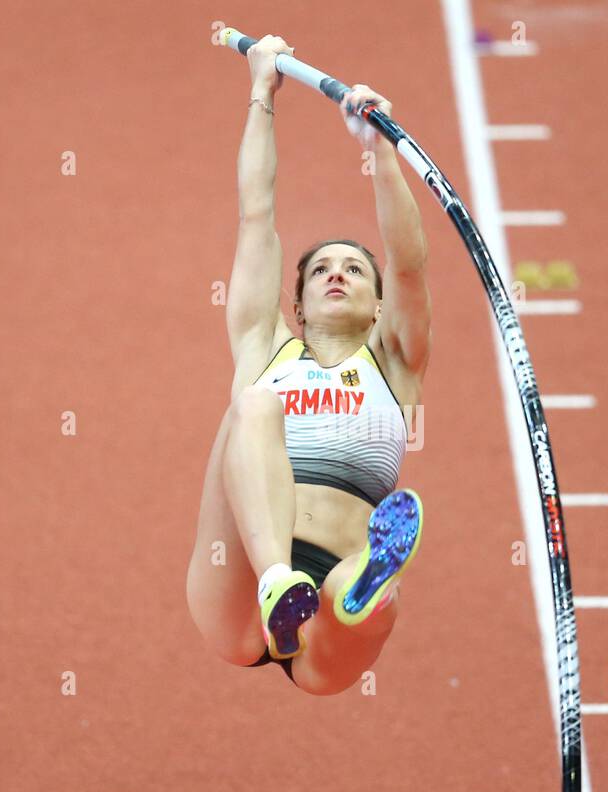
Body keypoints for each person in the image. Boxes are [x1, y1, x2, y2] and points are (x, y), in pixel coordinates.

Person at [185, 35, 433, 695]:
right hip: (241, 580)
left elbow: (408, 263)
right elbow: (256, 215)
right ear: (292, 303)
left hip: (328, 604)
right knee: (257, 402)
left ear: (378, 307)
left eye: (354, 269)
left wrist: (379, 149)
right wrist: (261, 93)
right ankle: (277, 582)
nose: (336, 274)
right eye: (321, 267)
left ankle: (358, 587)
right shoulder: (267, 346)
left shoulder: (395, 365)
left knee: (376, 601)